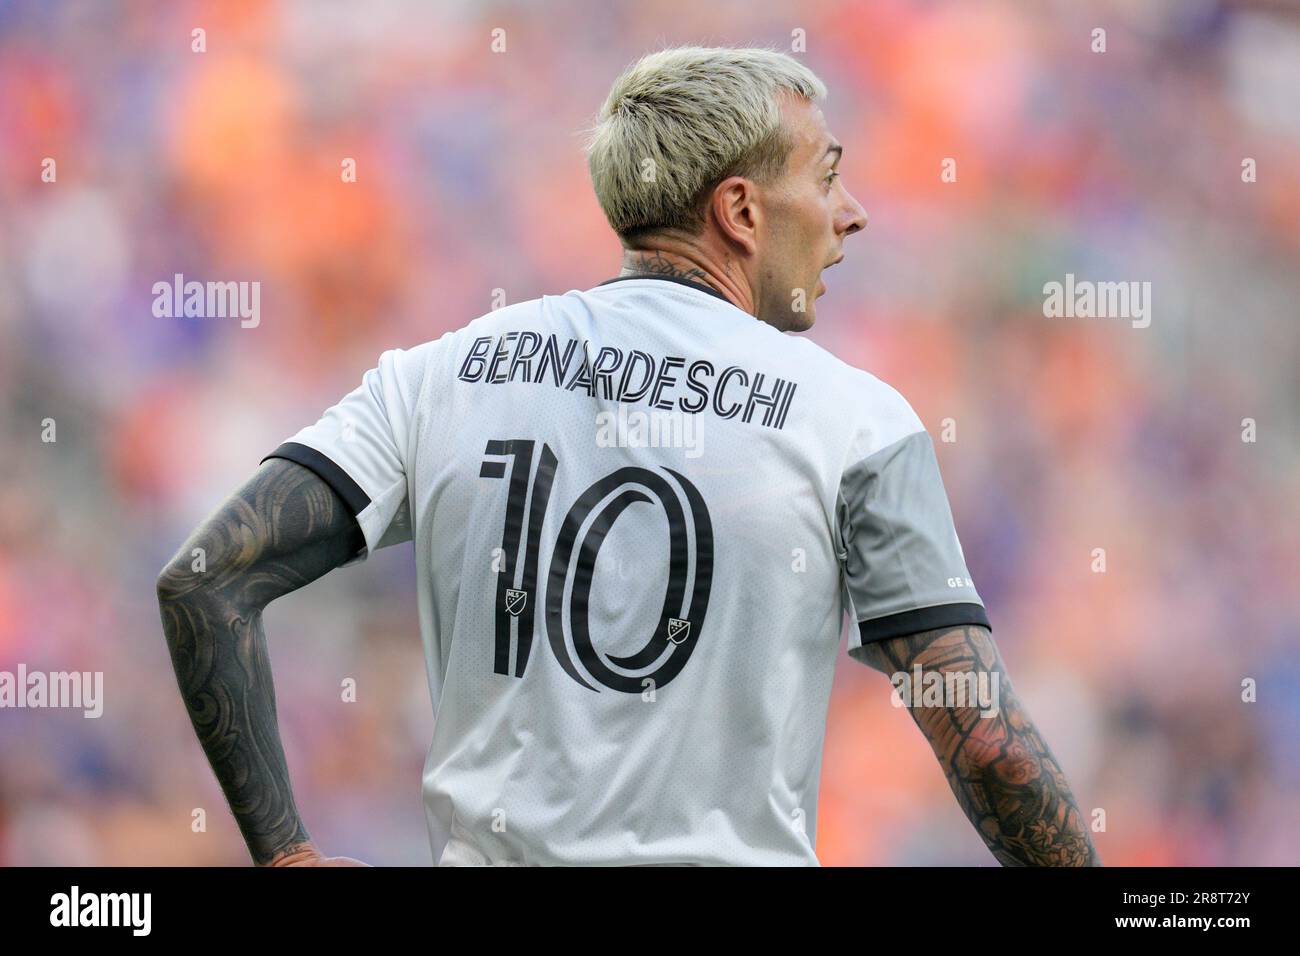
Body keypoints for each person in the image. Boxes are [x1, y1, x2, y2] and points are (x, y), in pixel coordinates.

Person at [157, 46, 1099, 867]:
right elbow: (988, 747)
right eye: (826, 177)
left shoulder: (439, 374)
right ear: (740, 209)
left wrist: (284, 853)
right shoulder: (855, 420)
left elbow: (203, 579)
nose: (851, 213)